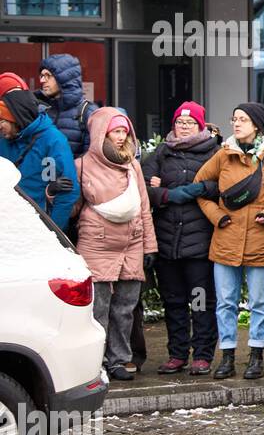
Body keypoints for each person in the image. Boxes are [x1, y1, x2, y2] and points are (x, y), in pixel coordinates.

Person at [195, 103, 264, 380]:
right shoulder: (222, 156)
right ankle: (227, 357)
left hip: (260, 240)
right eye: (234, 118)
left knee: (260, 303)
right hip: (226, 239)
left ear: (257, 125)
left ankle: (256, 357)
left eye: (243, 119)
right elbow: (201, 189)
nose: (236, 124)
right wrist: (217, 217)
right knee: (225, 302)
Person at [74, 109, 156, 381]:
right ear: (101, 133)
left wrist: (149, 247)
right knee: (98, 310)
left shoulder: (133, 165)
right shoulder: (82, 166)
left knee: (125, 308)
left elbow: (144, 207)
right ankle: (93, 362)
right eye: (115, 131)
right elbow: (74, 207)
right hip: (95, 244)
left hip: (130, 243)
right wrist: (54, 192)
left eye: (124, 131)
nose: (121, 137)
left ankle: (119, 360)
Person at [142, 102, 220, 376]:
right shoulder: (161, 153)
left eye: (189, 123)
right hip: (167, 241)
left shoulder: (214, 152)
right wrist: (164, 195)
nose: (183, 127)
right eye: (179, 122)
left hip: (199, 245)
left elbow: (222, 186)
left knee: (200, 301)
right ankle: (177, 354)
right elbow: (142, 187)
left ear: (201, 125)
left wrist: (191, 189)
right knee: (173, 301)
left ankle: (202, 354)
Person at [0, 86, 79, 232]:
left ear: (15, 118)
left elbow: (68, 193)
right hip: (7, 228)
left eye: (1, 121)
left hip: (38, 231)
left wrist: (52, 233)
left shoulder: (53, 141)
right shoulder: (3, 141)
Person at [36, 53, 99, 158]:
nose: (42, 80)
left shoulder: (88, 112)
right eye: (42, 75)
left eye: (48, 76)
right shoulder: (42, 109)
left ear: (64, 79)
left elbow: (92, 158)